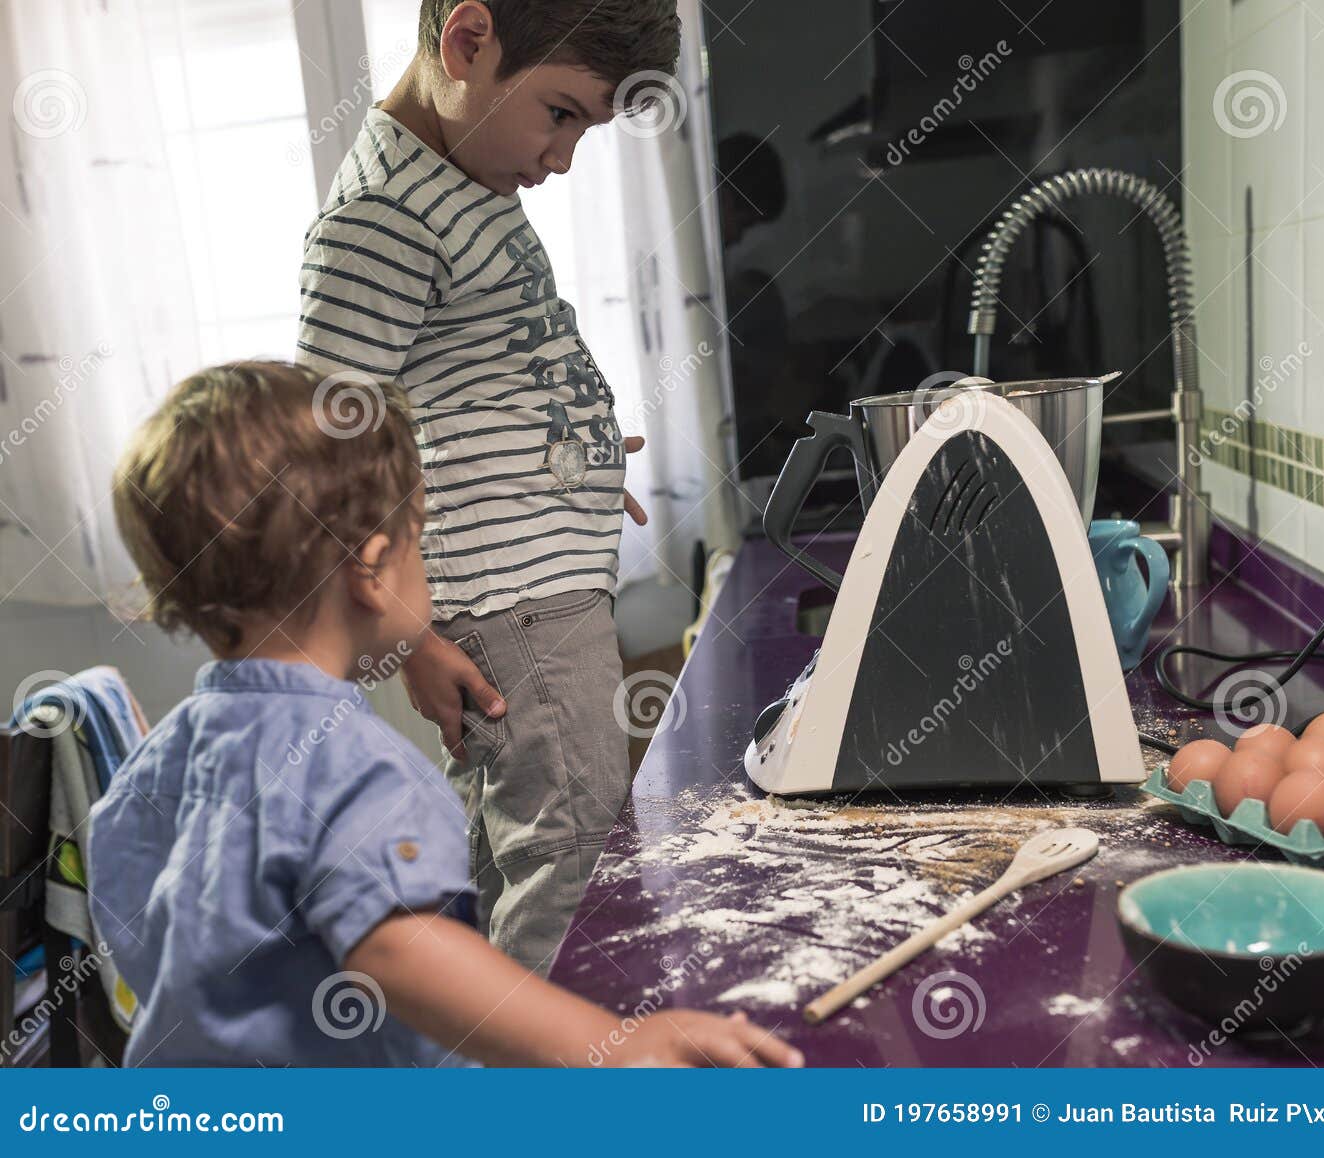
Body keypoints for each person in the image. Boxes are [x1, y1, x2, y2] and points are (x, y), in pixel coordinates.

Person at [88, 361, 801, 1068]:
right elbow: (399, 949)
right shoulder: (352, 769)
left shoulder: (148, 769)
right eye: (418, 542)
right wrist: (609, 1048)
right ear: (371, 571)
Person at [297, 0, 677, 972]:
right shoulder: (383, 215)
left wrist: (573, 454)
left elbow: (466, 380)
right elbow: (333, 451)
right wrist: (410, 639)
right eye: (561, 113)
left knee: (514, 867)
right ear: (468, 42)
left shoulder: (457, 178)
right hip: (511, 608)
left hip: (532, 590)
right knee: (573, 860)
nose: (562, 158)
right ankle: (548, 1103)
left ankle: (476, 1093)